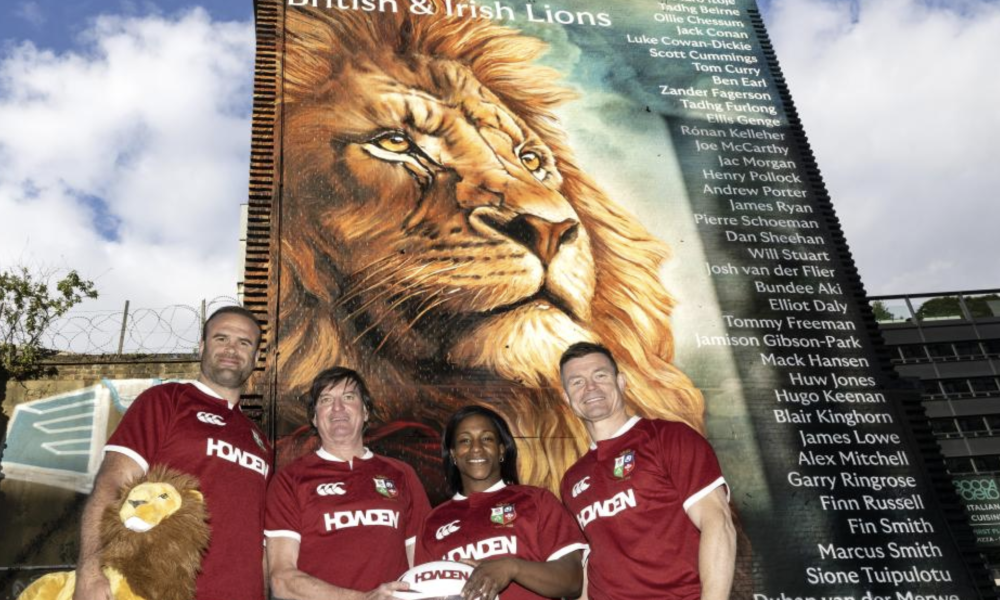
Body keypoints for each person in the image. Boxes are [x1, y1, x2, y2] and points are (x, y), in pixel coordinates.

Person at [74, 305, 271, 600]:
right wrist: (89, 573)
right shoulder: (166, 400)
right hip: (158, 591)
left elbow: (261, 538)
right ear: (202, 346)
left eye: (244, 343)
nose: (232, 348)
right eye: (221, 338)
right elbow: (112, 482)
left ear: (255, 358)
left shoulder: (261, 441)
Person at [558, 342, 736, 600]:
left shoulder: (670, 437)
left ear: (621, 382)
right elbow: (589, 566)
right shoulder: (572, 479)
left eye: (600, 375)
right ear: (566, 398)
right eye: (576, 382)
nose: (590, 387)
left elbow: (718, 524)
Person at [264, 366, 431, 599]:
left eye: (349, 397)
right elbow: (282, 581)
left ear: (365, 412)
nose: (338, 407)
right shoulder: (289, 480)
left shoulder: (401, 474)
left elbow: (424, 570)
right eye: (326, 399)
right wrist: (362, 599)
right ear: (314, 417)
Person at [415, 406, 586, 600]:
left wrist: (512, 567)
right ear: (453, 454)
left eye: (487, 438)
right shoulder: (433, 521)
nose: (476, 447)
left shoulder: (536, 500)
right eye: (465, 441)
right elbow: (422, 592)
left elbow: (572, 582)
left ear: (501, 449)